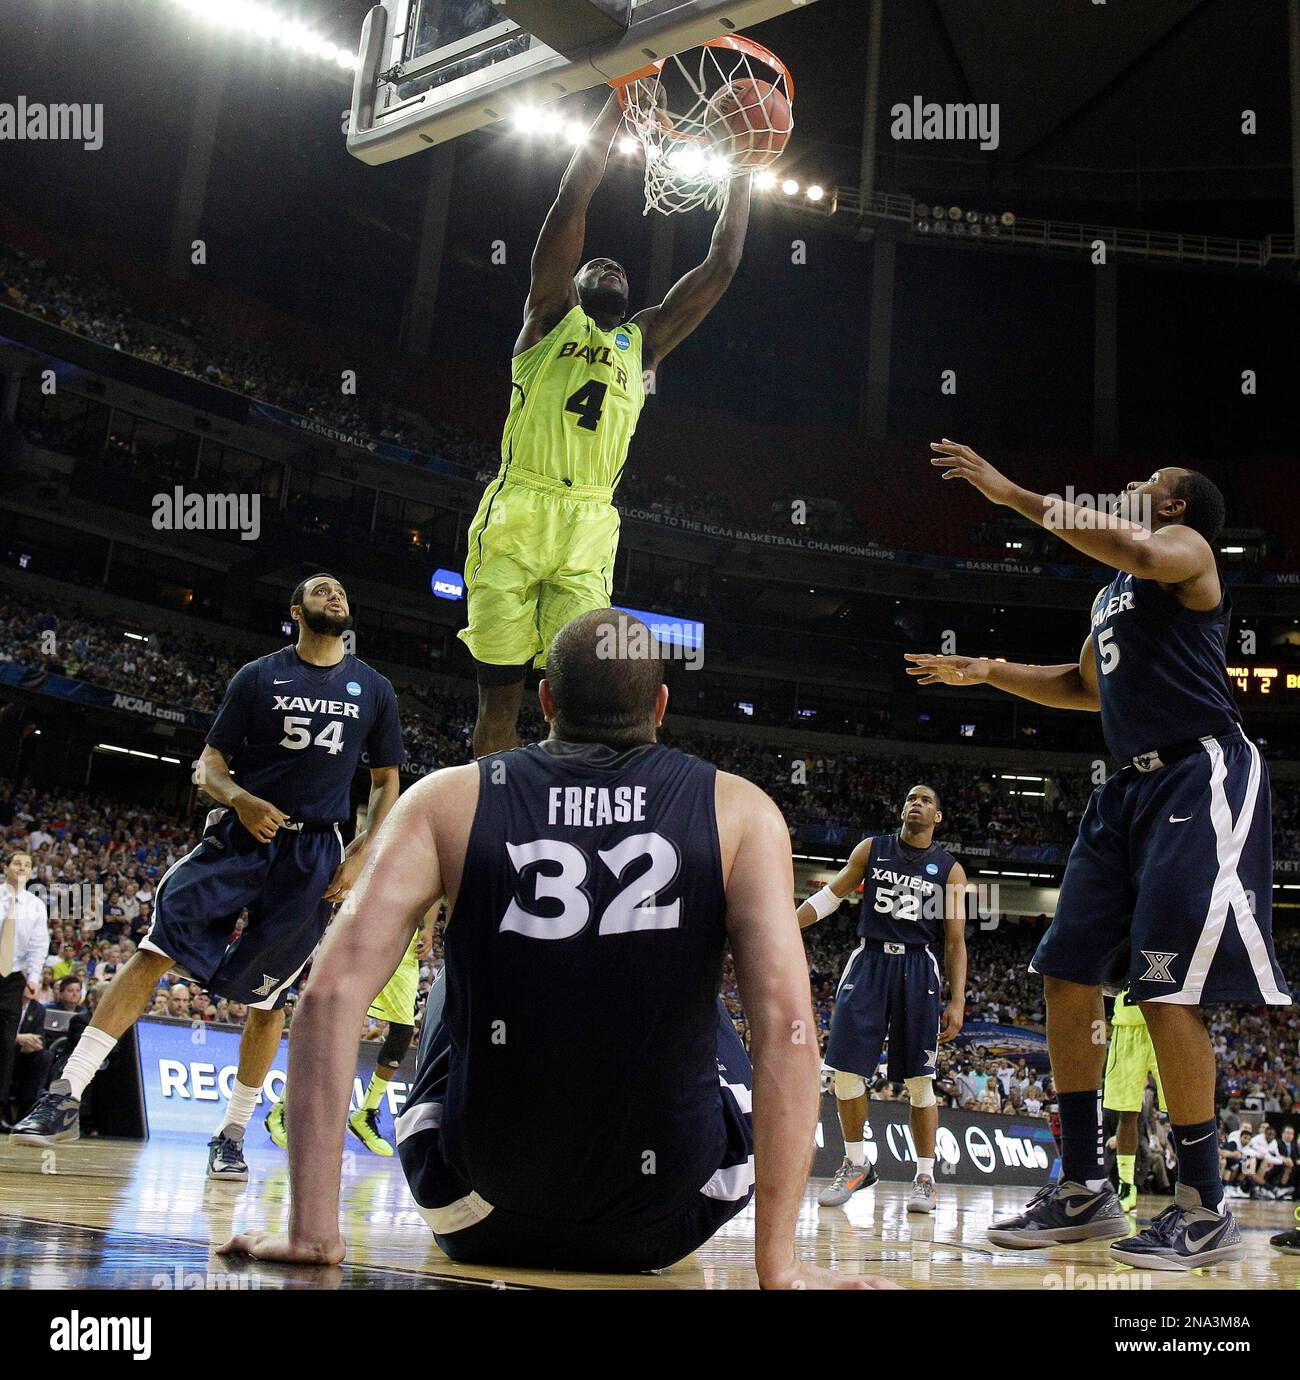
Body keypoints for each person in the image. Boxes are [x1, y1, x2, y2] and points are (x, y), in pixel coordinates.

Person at [221, 610, 890, 1288]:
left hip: (474, 1209)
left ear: (545, 699)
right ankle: (771, 1253)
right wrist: (780, 1267)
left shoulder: (447, 798)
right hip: (670, 1213)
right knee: (701, 989)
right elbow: (787, 1028)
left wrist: (311, 1229)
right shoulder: (740, 810)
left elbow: (330, 996)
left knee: (461, 969)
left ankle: (324, 1223)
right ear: (661, 705)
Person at [909, 442, 1290, 1270]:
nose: (1131, 487)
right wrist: (988, 672)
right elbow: (1083, 687)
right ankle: (1084, 1186)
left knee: (1161, 981)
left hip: (1199, 769)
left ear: (1180, 505)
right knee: (1066, 969)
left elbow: (1137, 546)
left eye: (1148, 484)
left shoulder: (1185, 553)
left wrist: (1014, 494)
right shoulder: (1109, 592)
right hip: (1126, 788)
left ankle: (1202, 1200)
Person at [11, 575, 405, 1183]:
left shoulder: (375, 689)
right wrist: (242, 800)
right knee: (154, 952)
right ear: (296, 610)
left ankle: (231, 1133)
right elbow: (209, 766)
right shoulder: (258, 676)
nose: (337, 595)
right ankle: (65, 1091)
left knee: (268, 1000)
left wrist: (362, 853)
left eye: (342, 591)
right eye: (321, 590)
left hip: (312, 856)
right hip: (240, 838)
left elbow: (384, 783)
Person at [460, 91, 752, 757]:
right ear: (571, 281)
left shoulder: (643, 341)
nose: (610, 266)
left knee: (581, 699)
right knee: (498, 708)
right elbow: (573, 200)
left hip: (591, 522)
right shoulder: (547, 318)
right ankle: (483, 847)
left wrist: (744, 166)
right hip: (520, 505)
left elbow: (722, 264)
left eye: (620, 268)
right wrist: (619, 102)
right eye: (597, 264)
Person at [798, 785, 967, 1214]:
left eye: (927, 800)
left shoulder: (950, 870)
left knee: (919, 1082)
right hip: (870, 961)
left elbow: (955, 942)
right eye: (911, 797)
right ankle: (856, 1164)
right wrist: (786, 922)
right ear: (902, 807)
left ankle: (925, 1177)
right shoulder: (873, 849)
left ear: (938, 817)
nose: (917, 803)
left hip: (917, 970)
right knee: (846, 1073)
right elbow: (831, 896)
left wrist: (958, 1000)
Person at [266, 906, 438, 1157]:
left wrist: (429, 927)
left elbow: (434, 889)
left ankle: (365, 1113)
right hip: (365, 925)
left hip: (404, 938)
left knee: (403, 1029)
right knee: (334, 1020)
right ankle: (282, 1108)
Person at [1103, 986, 1165, 1212]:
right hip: (1128, 1023)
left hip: (1169, 1018)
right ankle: (1126, 1185)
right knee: (1126, 1111)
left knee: (1183, 1111)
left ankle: (1194, 1184)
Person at [0, 850, 50, 1124]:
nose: (22, 868)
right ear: (6, 867)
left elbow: (38, 946)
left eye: (27, 865)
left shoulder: (35, 906)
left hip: (13, 977)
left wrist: (33, 978)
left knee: (6, 1043)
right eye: (17, 863)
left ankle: (1, 1107)